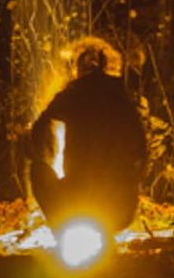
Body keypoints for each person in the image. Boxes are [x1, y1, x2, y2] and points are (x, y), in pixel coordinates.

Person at [29, 37, 148, 238]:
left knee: (37, 169)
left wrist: (46, 152)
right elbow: (141, 155)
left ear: (78, 68)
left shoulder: (74, 94)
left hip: (78, 203)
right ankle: (103, 231)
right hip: (121, 208)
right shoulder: (124, 99)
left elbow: (41, 126)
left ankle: (64, 231)